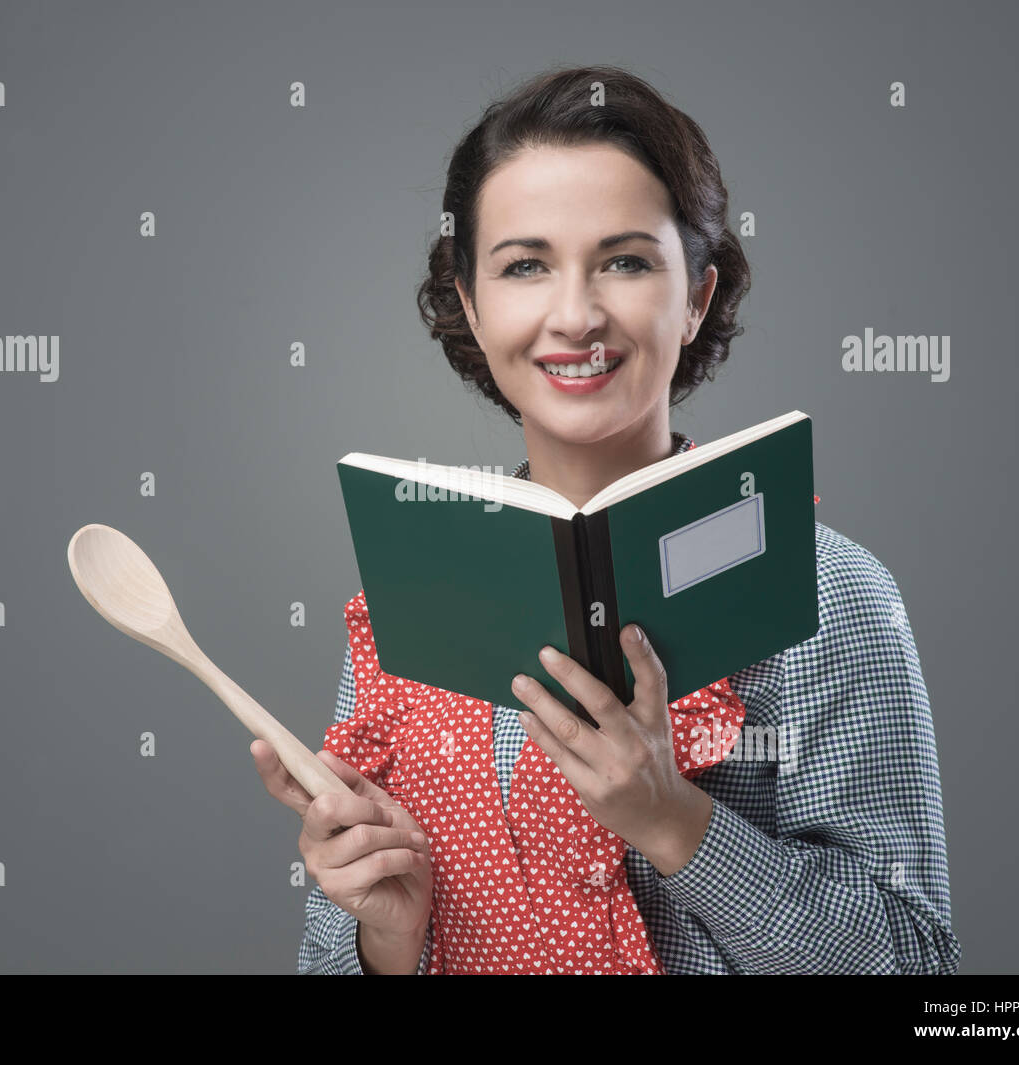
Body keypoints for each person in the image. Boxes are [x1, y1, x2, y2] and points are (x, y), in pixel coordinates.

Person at [251, 64, 962, 975]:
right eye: (524, 266)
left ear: (698, 296)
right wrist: (387, 935)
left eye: (626, 261)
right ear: (471, 302)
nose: (576, 314)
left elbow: (930, 982)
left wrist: (675, 821)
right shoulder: (406, 603)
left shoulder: (829, 594)